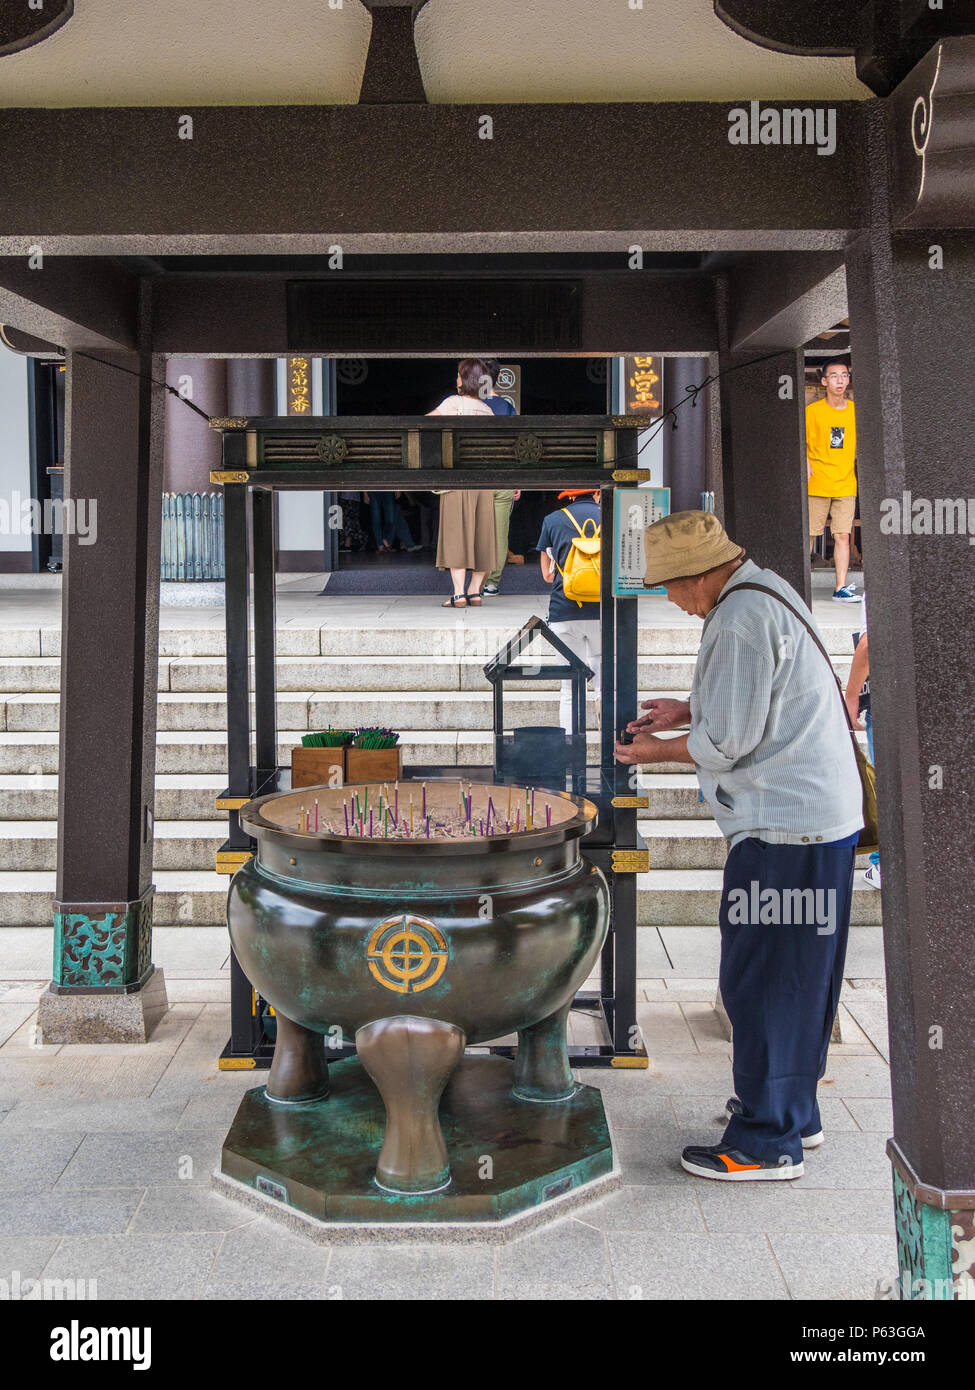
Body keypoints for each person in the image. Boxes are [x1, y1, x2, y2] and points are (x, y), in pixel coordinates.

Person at [615, 510, 862, 1182]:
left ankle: (763, 1142)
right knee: (798, 980)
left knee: (762, 982)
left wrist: (652, 749)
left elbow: (730, 741)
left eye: (668, 586)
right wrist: (685, 708)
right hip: (817, 822)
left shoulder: (737, 618)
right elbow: (755, 699)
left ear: (698, 574)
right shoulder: (764, 590)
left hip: (786, 829)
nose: (669, 599)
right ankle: (789, 1110)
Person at [429, 359, 497, 608]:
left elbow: (423, 424)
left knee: (456, 534)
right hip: (483, 482)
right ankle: (474, 591)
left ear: (466, 378)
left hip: (456, 479)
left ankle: (458, 593)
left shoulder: (452, 403)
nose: (456, 379)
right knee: (483, 536)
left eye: (459, 375)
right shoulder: (487, 410)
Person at [538, 488, 601, 730]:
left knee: (569, 688)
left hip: (564, 610)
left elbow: (546, 574)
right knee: (605, 686)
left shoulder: (552, 520)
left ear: (571, 496)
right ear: (597, 494)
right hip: (603, 611)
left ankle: (570, 751)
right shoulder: (612, 517)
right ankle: (611, 749)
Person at [806, 359, 862, 602]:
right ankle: (800, 584)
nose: (840, 380)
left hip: (845, 481)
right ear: (824, 381)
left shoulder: (855, 410)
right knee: (809, 534)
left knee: (842, 535)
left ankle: (840, 587)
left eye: (844, 375)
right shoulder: (812, 411)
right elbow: (798, 441)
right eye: (834, 376)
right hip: (817, 482)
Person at [845, 604, 880, 888]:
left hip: (892, 697)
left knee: (886, 780)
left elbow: (870, 644)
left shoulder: (886, 578)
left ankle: (884, 863)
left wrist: (852, 696)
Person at [481, 359, 520, 597]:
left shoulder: (467, 405)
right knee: (499, 533)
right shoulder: (506, 407)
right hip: (504, 477)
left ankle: (472, 580)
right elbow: (517, 445)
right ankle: (492, 582)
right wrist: (517, 481)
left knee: (474, 531)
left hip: (474, 479)